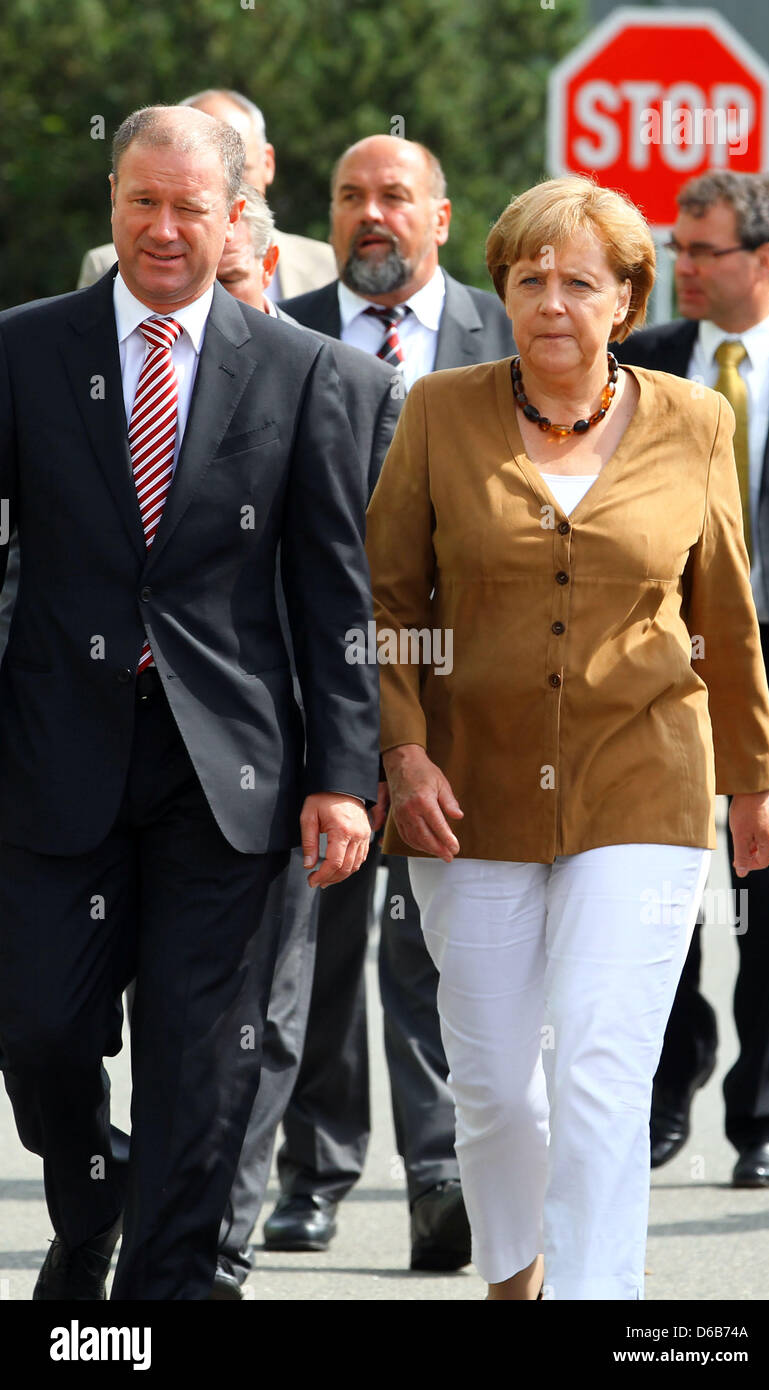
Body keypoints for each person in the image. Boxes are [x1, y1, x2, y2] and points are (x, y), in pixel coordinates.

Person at [365, 175, 769, 1300]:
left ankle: (601, 1299)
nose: (551, 300)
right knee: (497, 1082)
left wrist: (752, 781)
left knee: (604, 1065)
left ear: (626, 298)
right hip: (468, 787)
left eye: (578, 281)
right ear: (502, 287)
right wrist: (402, 753)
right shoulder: (439, 412)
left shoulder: (697, 421)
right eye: (528, 277)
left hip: (643, 776)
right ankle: (517, 1275)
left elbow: (725, 615)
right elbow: (390, 605)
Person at [0, 105, 377, 1301]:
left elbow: (334, 591)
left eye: (189, 208)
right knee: (43, 1028)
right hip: (56, 752)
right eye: (141, 203)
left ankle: (165, 1301)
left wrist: (342, 774)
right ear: (112, 201)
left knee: (201, 1058)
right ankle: (90, 1181)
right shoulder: (25, 351)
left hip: (232, 773)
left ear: (236, 218)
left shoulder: (305, 370)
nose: (163, 230)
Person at [267, 134, 517, 1267]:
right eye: (352, 197)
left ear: (443, 217)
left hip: (459, 689)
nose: (373, 215)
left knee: (434, 947)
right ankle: (313, 1171)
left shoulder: (503, 337)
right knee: (313, 942)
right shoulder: (276, 332)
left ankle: (438, 1176)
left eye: (396, 197)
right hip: (309, 685)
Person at [210, 185, 400, 1298]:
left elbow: (363, 590)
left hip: (289, 744)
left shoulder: (340, 383)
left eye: (236, 284)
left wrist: (360, 756)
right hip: (136, 744)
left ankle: (220, 1238)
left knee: (271, 1008)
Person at [615, 171, 769, 1187]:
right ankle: (667, 1075)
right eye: (677, 248)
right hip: (669, 660)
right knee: (658, 881)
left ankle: (765, 1113)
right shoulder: (640, 365)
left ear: (763, 259)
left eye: (704, 250)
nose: (682, 266)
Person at [77, 89, 336, 298]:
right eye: (146, 201)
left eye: (241, 172)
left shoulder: (327, 266)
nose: (164, 231)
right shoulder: (107, 266)